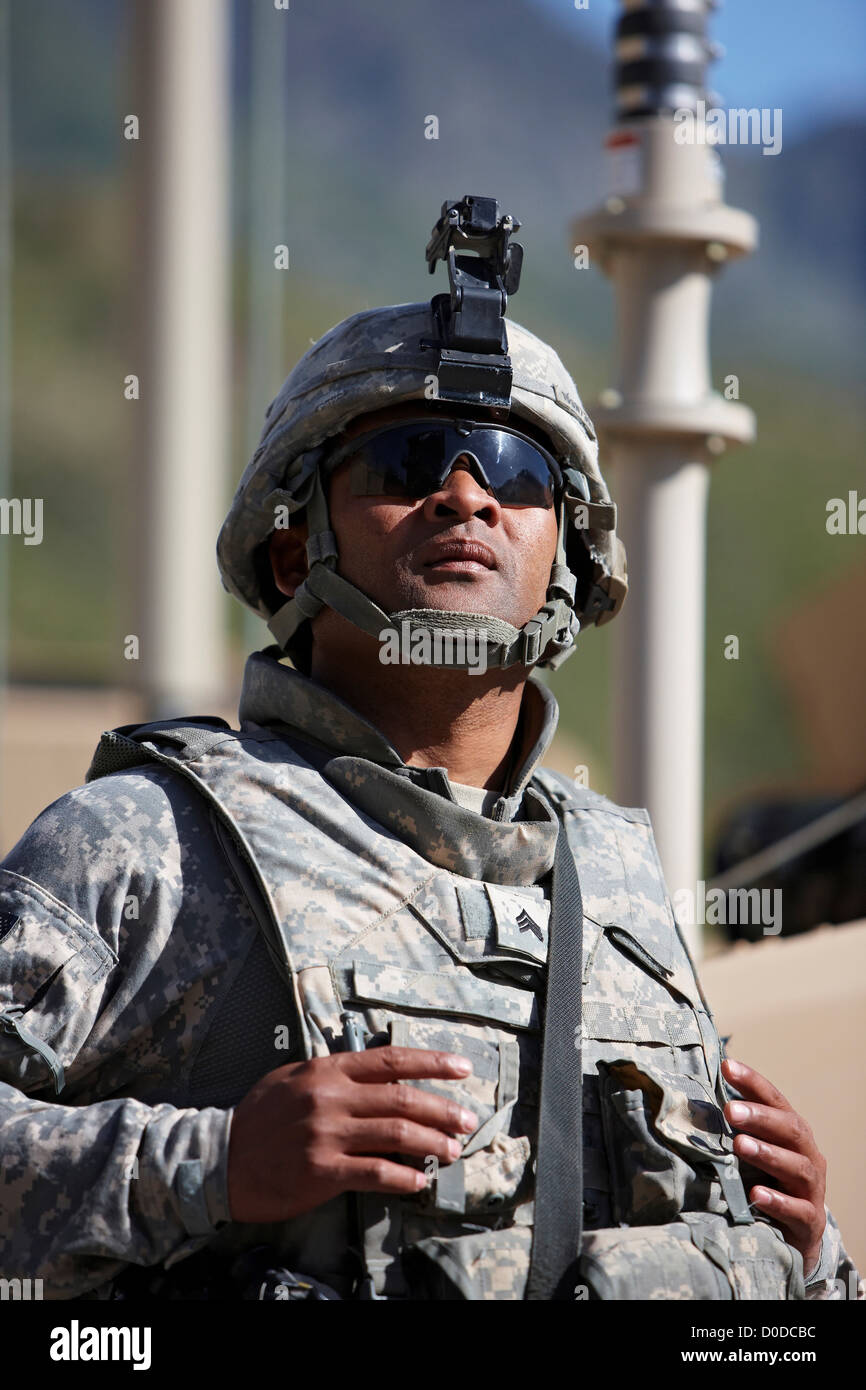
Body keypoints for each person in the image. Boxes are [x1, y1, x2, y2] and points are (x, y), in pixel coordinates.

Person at [0, 199, 860, 1301]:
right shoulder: (145, 842)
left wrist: (805, 1253)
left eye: (514, 472)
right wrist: (212, 1165)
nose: (465, 495)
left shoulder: (621, 886)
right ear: (291, 543)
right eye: (409, 460)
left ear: (569, 560)